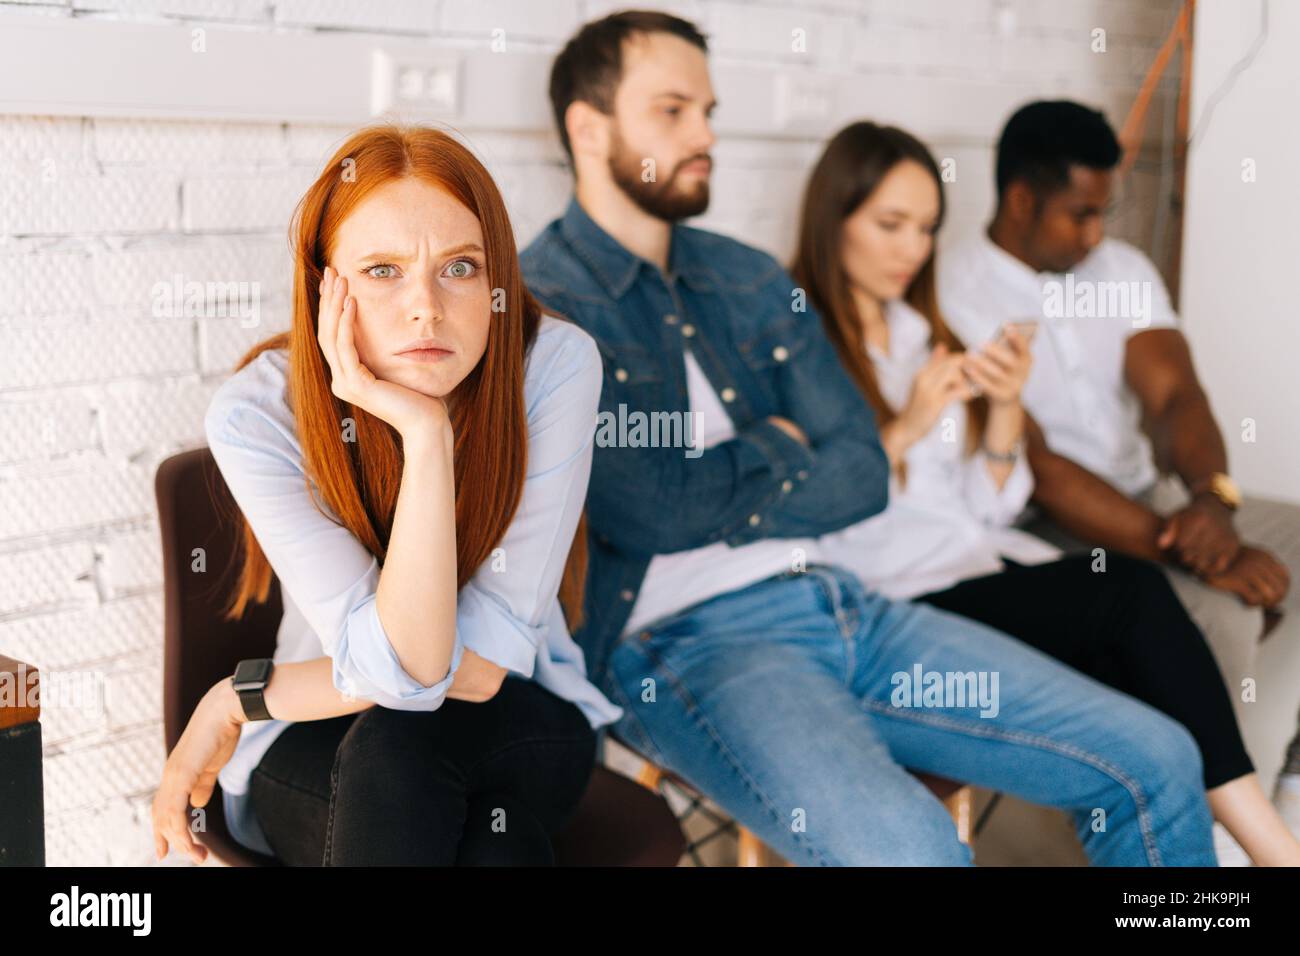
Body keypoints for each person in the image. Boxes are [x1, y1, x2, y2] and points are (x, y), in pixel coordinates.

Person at [519, 9, 1217, 865]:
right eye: (673, 111)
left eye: (709, 110)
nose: (704, 135)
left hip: (844, 601)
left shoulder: (744, 275)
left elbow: (861, 474)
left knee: (1154, 758)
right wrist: (781, 445)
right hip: (688, 644)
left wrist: (733, 475)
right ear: (588, 128)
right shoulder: (542, 301)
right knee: (914, 853)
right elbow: (649, 510)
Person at [796, 120, 1300, 866]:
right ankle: (1268, 849)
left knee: (1143, 681)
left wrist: (1002, 407)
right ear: (833, 220)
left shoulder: (917, 332)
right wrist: (902, 430)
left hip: (975, 565)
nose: (912, 249)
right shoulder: (794, 341)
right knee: (1128, 598)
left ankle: (1240, 843)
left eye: (927, 228)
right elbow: (800, 516)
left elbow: (983, 509)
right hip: (887, 600)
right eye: (890, 225)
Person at [151, 124, 622, 866]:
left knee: (401, 743)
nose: (425, 308)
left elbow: (474, 668)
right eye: (381, 270)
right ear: (322, 286)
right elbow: (406, 668)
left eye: (459, 267)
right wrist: (424, 432)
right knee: (492, 848)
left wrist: (240, 697)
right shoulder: (258, 413)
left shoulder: (554, 367)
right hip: (314, 736)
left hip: (516, 718)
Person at [937, 99, 1300, 845]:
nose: (1096, 233)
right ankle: (1212, 842)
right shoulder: (954, 293)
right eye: (1080, 214)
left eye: (1105, 212)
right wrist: (1200, 553)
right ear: (1019, 199)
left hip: (1162, 501)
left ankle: (1291, 786)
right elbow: (1042, 472)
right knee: (1221, 614)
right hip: (1050, 524)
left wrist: (1214, 502)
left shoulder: (1122, 268)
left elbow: (1176, 397)